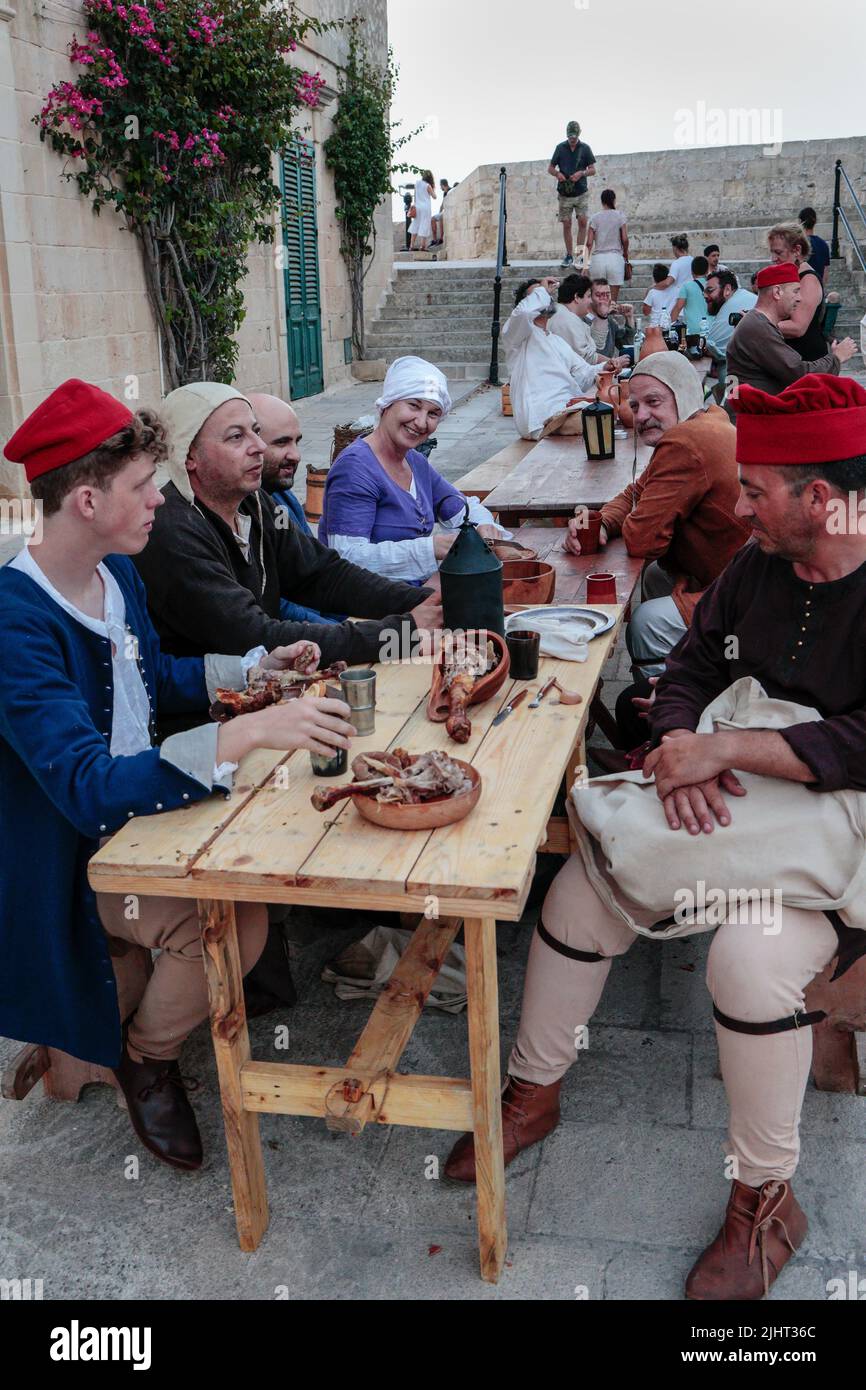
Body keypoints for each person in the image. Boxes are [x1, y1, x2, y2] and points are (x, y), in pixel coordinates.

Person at [444, 372, 866, 1300]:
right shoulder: (758, 567)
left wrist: (733, 746)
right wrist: (680, 747)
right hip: (728, 804)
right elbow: (685, 665)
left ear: (823, 501)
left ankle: (765, 1199)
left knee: (748, 962)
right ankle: (533, 1093)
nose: (740, 506)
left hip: (843, 854)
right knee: (581, 890)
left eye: (756, 492)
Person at [0, 379, 357, 1172]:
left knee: (273, 855)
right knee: (230, 922)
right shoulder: (14, 621)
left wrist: (257, 667)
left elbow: (150, 676)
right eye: (141, 488)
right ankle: (147, 1056)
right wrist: (245, 732)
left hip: (137, 816)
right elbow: (89, 786)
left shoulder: (115, 572)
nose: (159, 502)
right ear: (86, 500)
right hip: (71, 855)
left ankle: (138, 1021)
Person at [132, 382, 441, 689]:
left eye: (255, 431)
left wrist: (430, 603)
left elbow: (322, 574)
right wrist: (401, 635)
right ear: (189, 456)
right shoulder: (173, 532)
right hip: (214, 715)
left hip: (272, 691)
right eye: (237, 437)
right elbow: (254, 637)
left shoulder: (256, 504)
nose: (259, 446)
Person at [564, 352, 750, 676]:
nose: (642, 415)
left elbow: (643, 541)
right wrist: (606, 522)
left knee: (646, 624)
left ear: (683, 395)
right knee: (656, 576)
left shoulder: (686, 441)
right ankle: (689, 671)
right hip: (734, 577)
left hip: (751, 601)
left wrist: (631, 518)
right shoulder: (705, 420)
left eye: (653, 401)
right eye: (634, 406)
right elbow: (635, 492)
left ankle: (666, 704)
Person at [318, 357, 509, 583]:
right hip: (364, 610)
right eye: (414, 406)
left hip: (408, 596)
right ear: (388, 403)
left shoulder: (415, 463)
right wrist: (430, 549)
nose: (421, 422)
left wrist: (485, 526)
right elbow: (347, 558)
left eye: (433, 414)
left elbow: (464, 510)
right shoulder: (355, 468)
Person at [246, 391, 341, 626]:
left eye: (296, 441)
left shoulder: (284, 498)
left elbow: (316, 570)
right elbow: (273, 604)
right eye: (281, 442)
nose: (296, 456)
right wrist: (343, 632)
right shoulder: (236, 514)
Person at [726, 264, 855, 396]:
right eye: (795, 291)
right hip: (750, 413)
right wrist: (836, 358)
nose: (799, 298)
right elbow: (799, 373)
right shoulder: (758, 327)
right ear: (777, 293)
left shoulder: (759, 323)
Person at [502, 278, 605, 440]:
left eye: (545, 294)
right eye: (537, 294)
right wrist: (542, 288)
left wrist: (606, 367)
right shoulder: (517, 336)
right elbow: (524, 313)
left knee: (608, 413)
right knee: (597, 420)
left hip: (566, 409)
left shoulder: (555, 340)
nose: (545, 296)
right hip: (539, 418)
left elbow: (584, 374)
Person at [768, 222, 828, 361]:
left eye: (778, 252)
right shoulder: (788, 277)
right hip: (790, 359)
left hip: (808, 361)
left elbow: (797, 327)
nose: (773, 258)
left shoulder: (808, 280)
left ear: (797, 250)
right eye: (772, 252)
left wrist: (759, 323)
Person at [550, 274, 629, 370]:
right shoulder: (567, 319)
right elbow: (587, 357)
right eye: (588, 296)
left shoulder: (563, 314)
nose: (590, 301)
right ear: (576, 297)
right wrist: (614, 363)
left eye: (607, 294)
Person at [548, 120, 596, 267]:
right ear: (567, 135)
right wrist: (557, 174)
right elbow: (550, 168)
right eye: (570, 137)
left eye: (574, 137)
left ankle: (580, 255)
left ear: (579, 134)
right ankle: (569, 255)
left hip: (581, 192)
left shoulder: (585, 148)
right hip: (564, 194)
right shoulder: (560, 148)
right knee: (567, 224)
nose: (572, 140)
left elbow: (593, 169)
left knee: (582, 221)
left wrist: (582, 173)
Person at [703, 270, 757, 361]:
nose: (704, 295)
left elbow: (713, 346)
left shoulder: (733, 303)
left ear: (727, 289)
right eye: (704, 292)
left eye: (709, 290)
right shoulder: (742, 296)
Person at [586, 190, 629, 301]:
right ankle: (611, 317)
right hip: (615, 258)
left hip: (598, 260)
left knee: (598, 299)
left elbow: (589, 243)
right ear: (614, 200)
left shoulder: (594, 218)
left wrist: (585, 264)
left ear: (602, 201)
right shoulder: (620, 216)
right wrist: (626, 254)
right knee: (612, 300)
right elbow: (625, 239)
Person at [587, 278, 636, 358]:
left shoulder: (610, 320)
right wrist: (602, 316)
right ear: (590, 297)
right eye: (599, 295)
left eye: (607, 294)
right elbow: (593, 354)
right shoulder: (582, 319)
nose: (604, 299)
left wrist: (629, 318)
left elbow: (627, 345)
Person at [671, 255, 710, 335]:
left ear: (692, 271)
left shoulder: (686, 286)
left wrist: (671, 326)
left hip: (693, 330)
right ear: (707, 271)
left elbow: (678, 307)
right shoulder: (711, 286)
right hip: (710, 327)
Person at [798, 207, 830, 286]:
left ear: (800, 221)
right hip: (817, 288)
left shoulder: (798, 243)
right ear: (815, 221)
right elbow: (825, 274)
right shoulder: (823, 244)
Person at [410, 170, 435, 252]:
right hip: (425, 208)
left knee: (416, 225)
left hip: (418, 207)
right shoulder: (428, 185)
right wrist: (432, 189)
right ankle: (422, 246)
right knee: (424, 225)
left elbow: (415, 195)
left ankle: (411, 246)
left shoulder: (417, 183)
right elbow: (434, 196)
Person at [430, 178, 451, 247]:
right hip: (444, 211)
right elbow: (443, 204)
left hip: (449, 211)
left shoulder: (450, 191)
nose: (440, 187)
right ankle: (434, 239)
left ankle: (442, 238)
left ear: (442, 185)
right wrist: (439, 212)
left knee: (442, 217)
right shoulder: (444, 193)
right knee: (432, 219)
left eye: (440, 186)